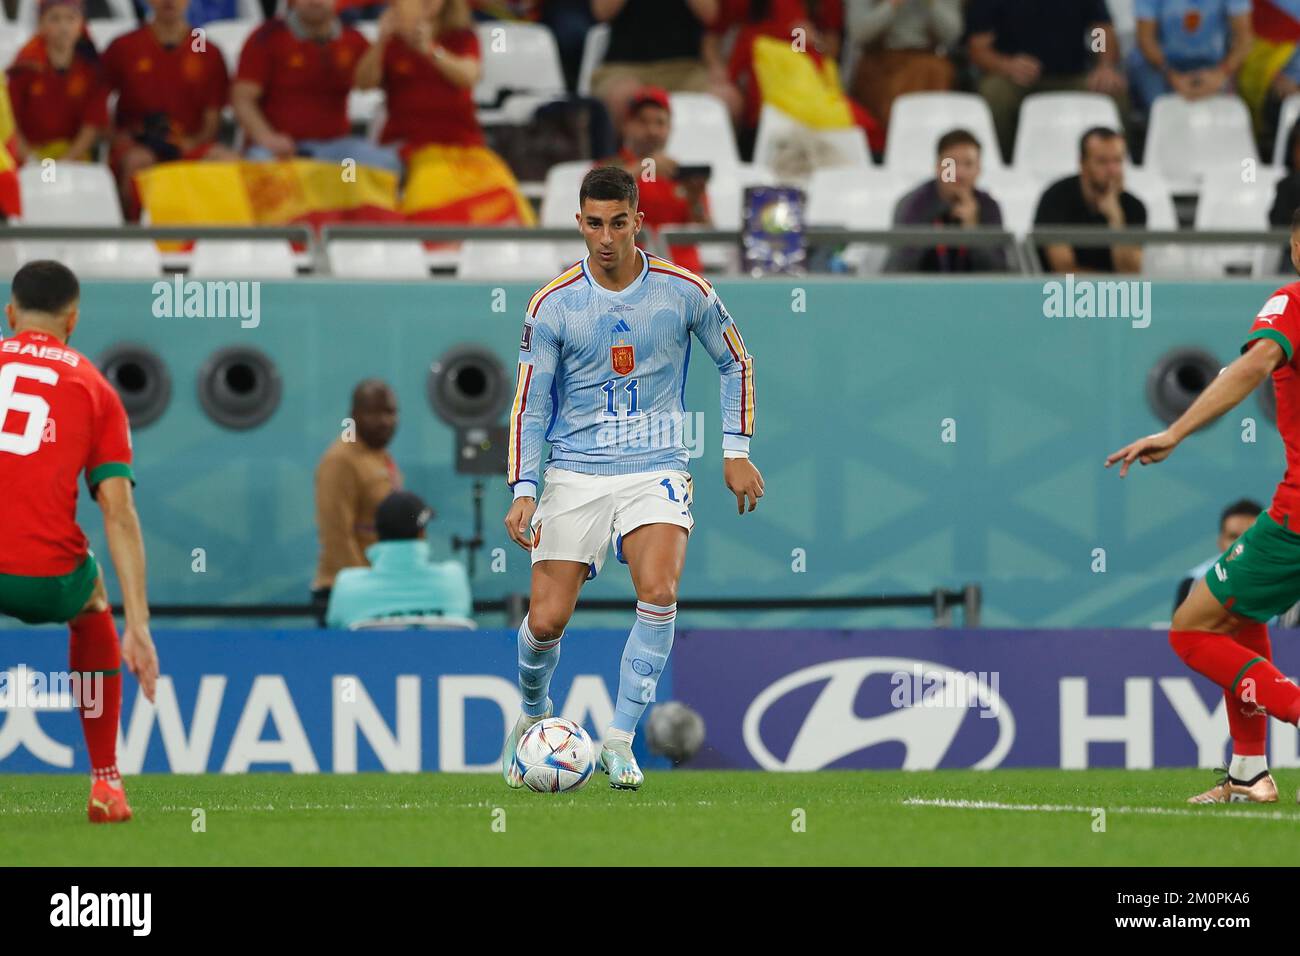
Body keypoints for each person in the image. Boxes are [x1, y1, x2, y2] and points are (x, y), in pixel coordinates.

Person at [501, 165, 763, 791]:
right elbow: (530, 404)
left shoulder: (684, 290)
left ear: (638, 221)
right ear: (579, 223)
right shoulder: (553, 304)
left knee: (659, 588)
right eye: (595, 223)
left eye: (619, 222)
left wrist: (734, 449)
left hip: (656, 467)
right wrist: (524, 489)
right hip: (575, 471)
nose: (607, 236)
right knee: (547, 621)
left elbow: (736, 361)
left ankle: (619, 740)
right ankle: (532, 719)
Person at [1106, 205, 1300, 804]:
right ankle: (1247, 769)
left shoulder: (1292, 302)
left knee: (1190, 629)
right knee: (1239, 616)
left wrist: (1176, 430)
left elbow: (1253, 363)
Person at [0, 260, 159, 823]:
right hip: (44, 576)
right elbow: (117, 509)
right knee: (92, 603)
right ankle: (105, 782)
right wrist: (137, 626)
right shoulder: (95, 388)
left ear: (10, 312)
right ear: (72, 320)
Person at [101, 0, 236, 218]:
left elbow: (213, 116)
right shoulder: (124, 45)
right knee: (138, 161)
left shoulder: (205, 48)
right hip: (139, 143)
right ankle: (133, 235)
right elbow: (98, 101)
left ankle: (215, 236)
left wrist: (193, 142)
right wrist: (118, 138)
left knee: (225, 160)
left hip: (190, 141)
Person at [232, 0, 401, 173]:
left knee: (386, 164)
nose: (315, 1)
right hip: (278, 150)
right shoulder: (265, 38)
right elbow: (242, 99)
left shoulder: (353, 39)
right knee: (260, 171)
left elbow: (377, 84)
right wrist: (266, 137)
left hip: (337, 149)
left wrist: (382, 40)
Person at [966, 0, 1127, 164]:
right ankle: (1001, 164)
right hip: (1014, 78)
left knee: (1113, 89)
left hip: (1074, 75)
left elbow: (1099, 30)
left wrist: (1103, 65)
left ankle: (1115, 163)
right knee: (995, 92)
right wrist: (1006, 64)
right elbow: (979, 48)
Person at [311, 379, 403, 621]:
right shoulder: (340, 460)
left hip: (378, 593)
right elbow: (337, 536)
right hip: (347, 595)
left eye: (390, 412)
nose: (385, 421)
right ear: (354, 415)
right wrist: (366, 591)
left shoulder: (380, 456)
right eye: (375, 413)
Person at [353, 0, 484, 162]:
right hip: (401, 147)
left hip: (457, 144)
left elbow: (469, 76)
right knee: (354, 168)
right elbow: (363, 84)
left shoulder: (462, 37)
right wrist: (381, 41)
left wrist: (431, 50)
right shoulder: (392, 43)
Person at [601, 86, 710, 273]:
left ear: (669, 129)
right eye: (643, 122)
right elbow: (598, 194)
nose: (652, 130)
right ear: (626, 126)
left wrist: (695, 200)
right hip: (626, 275)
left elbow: (704, 231)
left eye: (660, 123)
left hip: (682, 277)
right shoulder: (610, 167)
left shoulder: (679, 174)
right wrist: (646, 166)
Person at [326, 490, 474, 628]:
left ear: (377, 533)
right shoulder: (454, 579)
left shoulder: (348, 585)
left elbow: (336, 629)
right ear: (422, 533)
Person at [589, 0, 740, 123]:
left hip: (686, 70)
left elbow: (710, 15)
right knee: (623, 97)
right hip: (625, 67)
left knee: (728, 100)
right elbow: (602, 12)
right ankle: (628, 159)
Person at [885, 127, 1006, 273]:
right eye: (951, 164)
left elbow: (999, 271)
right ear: (938, 167)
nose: (959, 173)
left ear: (979, 169)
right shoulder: (913, 204)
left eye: (968, 164)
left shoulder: (989, 206)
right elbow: (899, 267)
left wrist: (972, 230)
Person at [1033, 126, 1147, 274]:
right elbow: (1063, 269)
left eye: (1118, 161)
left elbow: (1130, 271)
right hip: (1058, 294)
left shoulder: (1134, 206)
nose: (1112, 170)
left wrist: (1116, 219)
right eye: (1102, 161)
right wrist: (1108, 286)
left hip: (1116, 295)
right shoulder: (1055, 198)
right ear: (1083, 163)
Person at [7, 0, 109, 163]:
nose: (64, 27)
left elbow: (92, 124)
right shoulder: (24, 67)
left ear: (82, 24)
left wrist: (65, 160)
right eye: (55, 19)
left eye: (71, 18)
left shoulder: (93, 69)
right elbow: (9, 122)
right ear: (41, 24)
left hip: (76, 154)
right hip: (29, 153)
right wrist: (32, 160)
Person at [845, 0, 962, 130]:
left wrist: (931, 3)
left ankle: (921, 135)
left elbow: (952, 35)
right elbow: (859, 34)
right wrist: (892, 4)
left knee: (934, 70)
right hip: (879, 60)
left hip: (926, 57)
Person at [1127, 0, 1252, 114]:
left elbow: (1244, 40)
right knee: (1143, 71)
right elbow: (1145, 39)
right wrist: (1171, 75)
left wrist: (1221, 73)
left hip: (1213, 64)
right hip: (1161, 65)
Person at [1174, 499, 1263, 612]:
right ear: (1220, 541)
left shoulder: (1285, 583)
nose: (1241, 545)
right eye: (1233, 537)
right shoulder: (1194, 582)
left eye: (1250, 536)